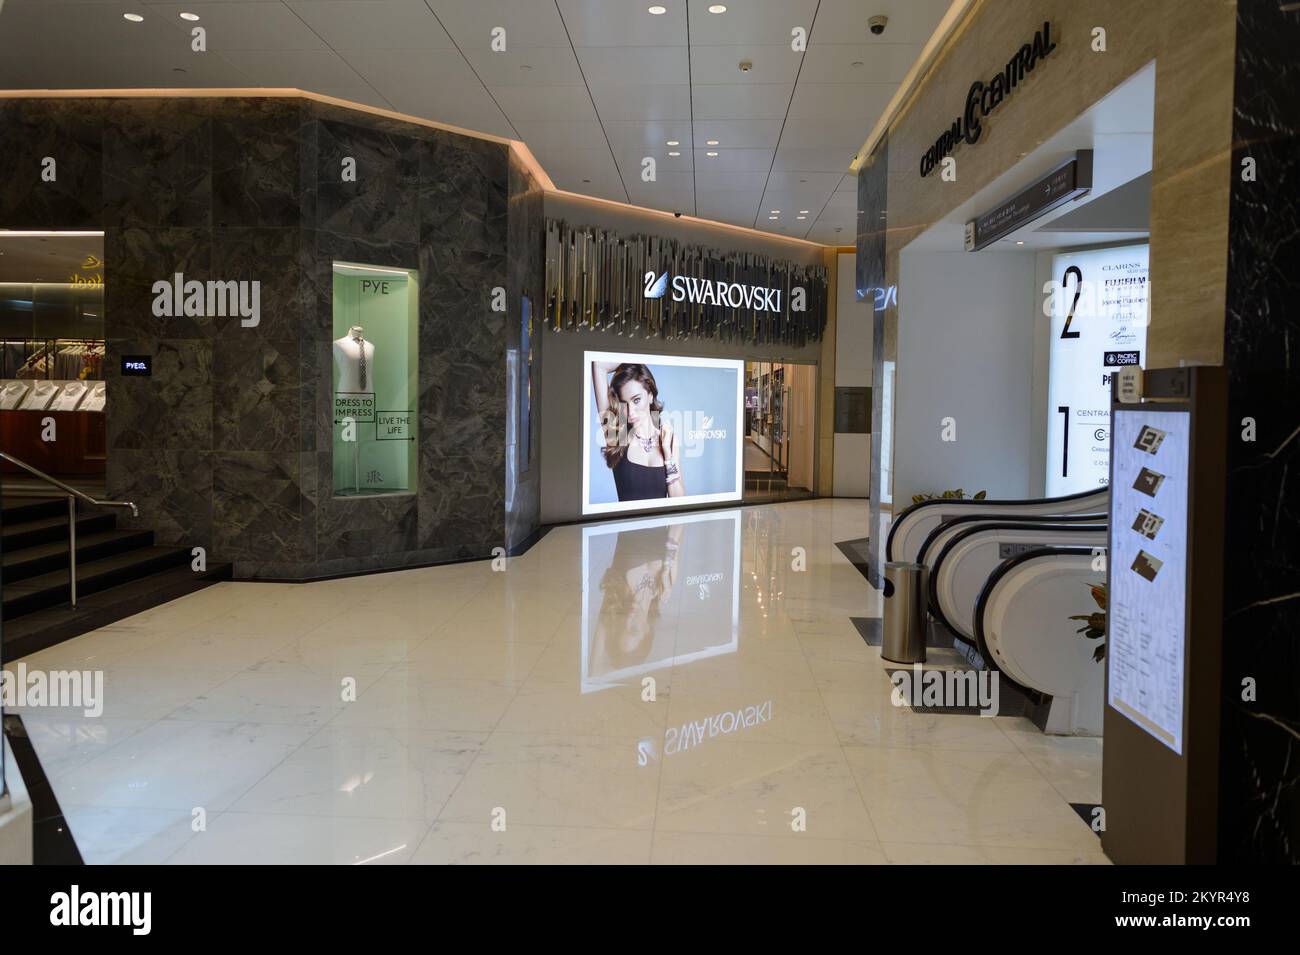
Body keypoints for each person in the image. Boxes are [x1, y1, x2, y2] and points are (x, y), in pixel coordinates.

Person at [591, 361, 685, 502]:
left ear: (651, 395)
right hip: (628, 525)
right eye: (624, 404)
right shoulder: (617, 435)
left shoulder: (667, 438)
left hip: (662, 524)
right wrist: (634, 360)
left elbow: (679, 502)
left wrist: (668, 456)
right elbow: (599, 365)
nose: (630, 412)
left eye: (636, 400)